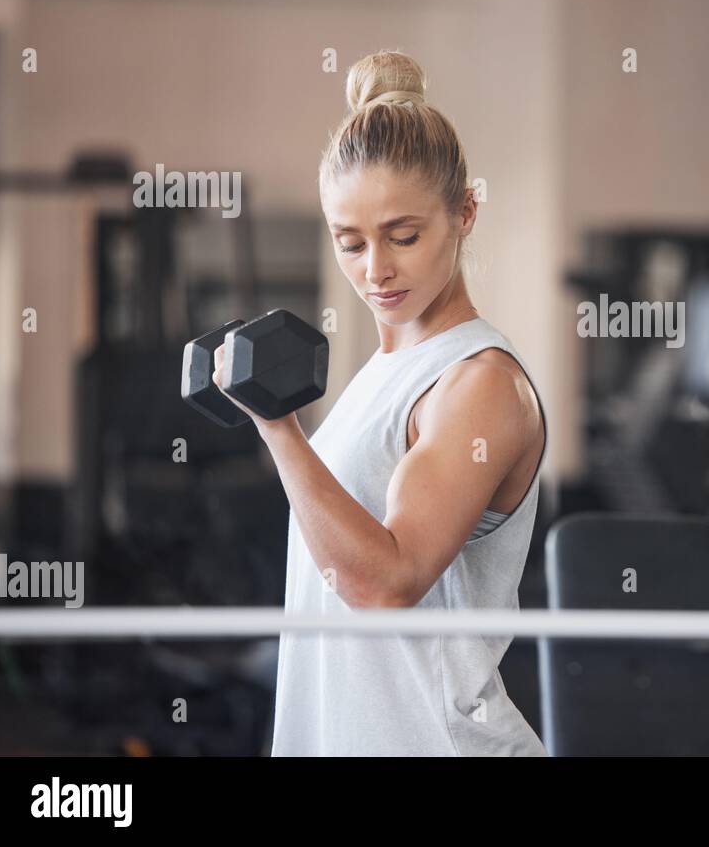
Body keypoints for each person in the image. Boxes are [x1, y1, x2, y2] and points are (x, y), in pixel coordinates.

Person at [215, 51, 548, 755]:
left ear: (465, 212)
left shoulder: (479, 382)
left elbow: (386, 582)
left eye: (403, 235)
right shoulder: (380, 377)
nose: (377, 269)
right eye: (351, 242)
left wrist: (278, 429)